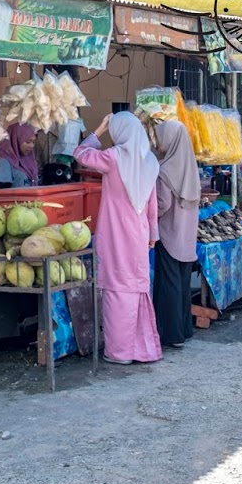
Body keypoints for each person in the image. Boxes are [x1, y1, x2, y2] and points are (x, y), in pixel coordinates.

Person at [74, 111, 161, 364]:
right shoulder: (149, 162)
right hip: (139, 233)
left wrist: (98, 131)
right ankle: (142, 348)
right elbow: (152, 205)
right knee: (137, 288)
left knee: (115, 289)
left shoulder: (113, 158)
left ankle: (120, 352)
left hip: (115, 234)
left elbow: (80, 155)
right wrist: (153, 235)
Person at [152, 119, 201, 348]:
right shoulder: (191, 168)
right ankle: (183, 330)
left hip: (169, 232)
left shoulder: (165, 171)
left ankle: (171, 335)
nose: (159, 144)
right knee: (182, 282)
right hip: (187, 235)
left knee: (168, 284)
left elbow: (162, 204)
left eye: (161, 138)